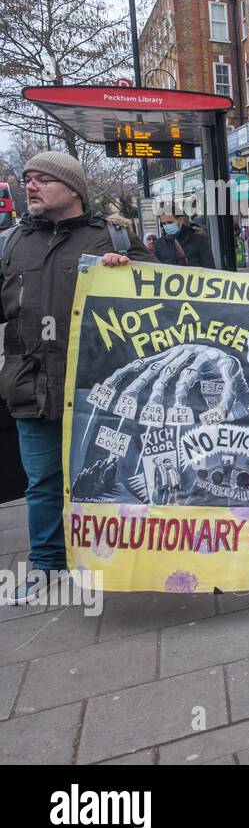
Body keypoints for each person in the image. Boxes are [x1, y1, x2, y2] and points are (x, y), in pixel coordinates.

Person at [0, 151, 155, 603]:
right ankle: (48, 566)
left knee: (110, 475)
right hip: (31, 383)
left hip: (97, 386)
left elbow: (160, 293)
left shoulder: (111, 236)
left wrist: (130, 268)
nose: (30, 186)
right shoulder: (12, 243)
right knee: (43, 482)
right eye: (27, 179)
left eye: (43, 179)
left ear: (73, 190)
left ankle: (119, 557)